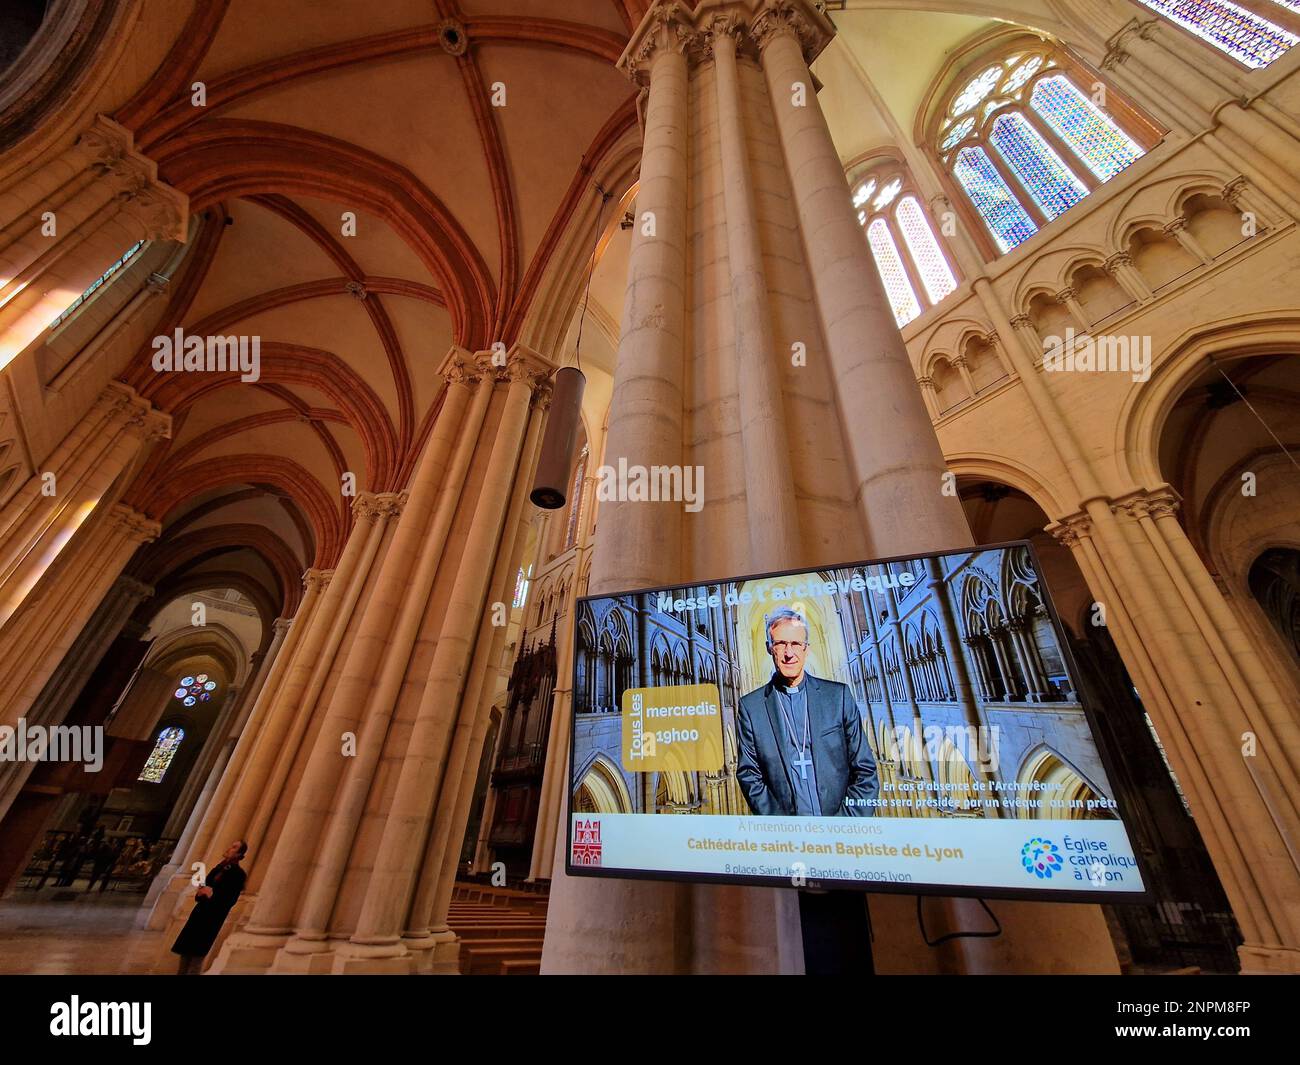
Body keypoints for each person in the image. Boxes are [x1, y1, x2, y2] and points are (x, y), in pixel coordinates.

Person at [735, 607, 878, 817]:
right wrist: (783, 830)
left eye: (795, 644)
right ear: (769, 648)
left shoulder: (838, 697)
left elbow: (865, 770)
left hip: (842, 833)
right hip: (787, 839)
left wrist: (846, 826)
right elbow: (749, 775)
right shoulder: (751, 707)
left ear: (806, 649)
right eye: (780, 644)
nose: (789, 653)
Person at [171, 840, 248, 975]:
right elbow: (205, 885)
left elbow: (230, 899)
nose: (230, 848)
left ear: (239, 854)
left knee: (197, 955)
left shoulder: (238, 874)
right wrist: (201, 892)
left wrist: (212, 894)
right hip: (200, 913)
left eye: (234, 847)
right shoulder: (219, 868)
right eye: (232, 845)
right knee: (185, 951)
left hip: (212, 918)